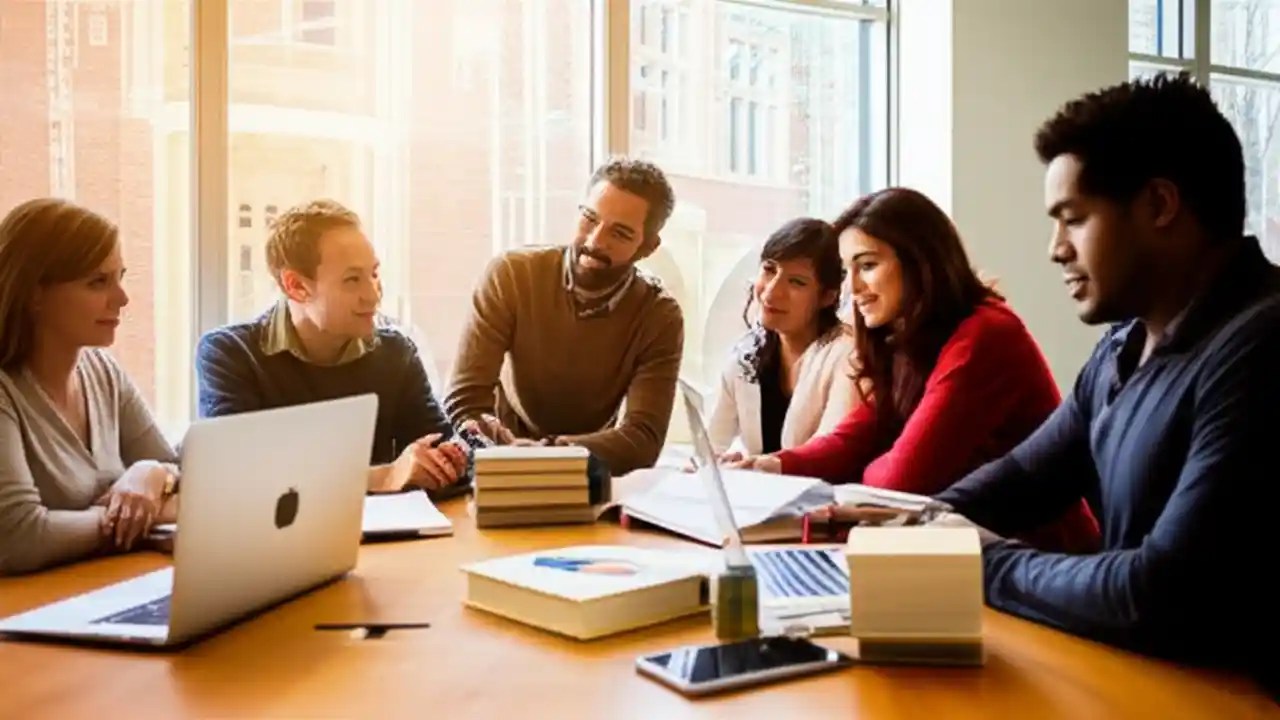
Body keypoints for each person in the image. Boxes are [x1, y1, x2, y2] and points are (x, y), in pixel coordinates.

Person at [930, 74, 1279, 692]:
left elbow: (1159, 593)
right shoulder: (1123, 346)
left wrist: (979, 560)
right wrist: (917, 522)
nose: (1055, 249)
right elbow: (1023, 480)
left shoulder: (1261, 343)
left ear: (1160, 206)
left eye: (1074, 220)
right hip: (1136, 685)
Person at [730, 187, 1099, 554]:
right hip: (966, 556)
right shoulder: (905, 339)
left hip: (1040, 565)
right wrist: (768, 466)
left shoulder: (986, 335)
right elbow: (856, 438)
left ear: (920, 262)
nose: (853, 288)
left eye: (868, 265)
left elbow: (902, 482)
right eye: (848, 270)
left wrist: (862, 472)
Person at [195, 200, 469, 495]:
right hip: (278, 540)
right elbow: (237, 476)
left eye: (374, 274)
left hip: (387, 537)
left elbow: (440, 457)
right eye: (352, 280)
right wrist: (383, 477)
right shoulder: (230, 354)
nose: (373, 296)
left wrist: (455, 457)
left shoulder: (396, 353)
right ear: (296, 286)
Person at [445, 157, 684, 476]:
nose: (595, 241)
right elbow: (464, 400)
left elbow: (643, 439)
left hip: (586, 474)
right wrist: (500, 455)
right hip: (497, 462)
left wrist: (548, 455)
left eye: (620, 233)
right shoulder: (513, 274)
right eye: (589, 219)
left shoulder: (659, 316)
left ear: (648, 247)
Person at [0, 199, 178, 575]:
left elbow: (184, 475)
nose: (122, 299)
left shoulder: (103, 371)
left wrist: (149, 473)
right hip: (23, 615)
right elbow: (18, 538)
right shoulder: (6, 393)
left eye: (120, 277)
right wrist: (138, 517)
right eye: (98, 282)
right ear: (34, 294)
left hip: (95, 589)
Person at [705, 217, 856, 459]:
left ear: (827, 296)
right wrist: (726, 463)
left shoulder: (846, 354)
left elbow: (830, 455)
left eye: (796, 282)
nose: (772, 292)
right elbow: (709, 447)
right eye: (769, 269)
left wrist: (755, 466)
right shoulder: (747, 354)